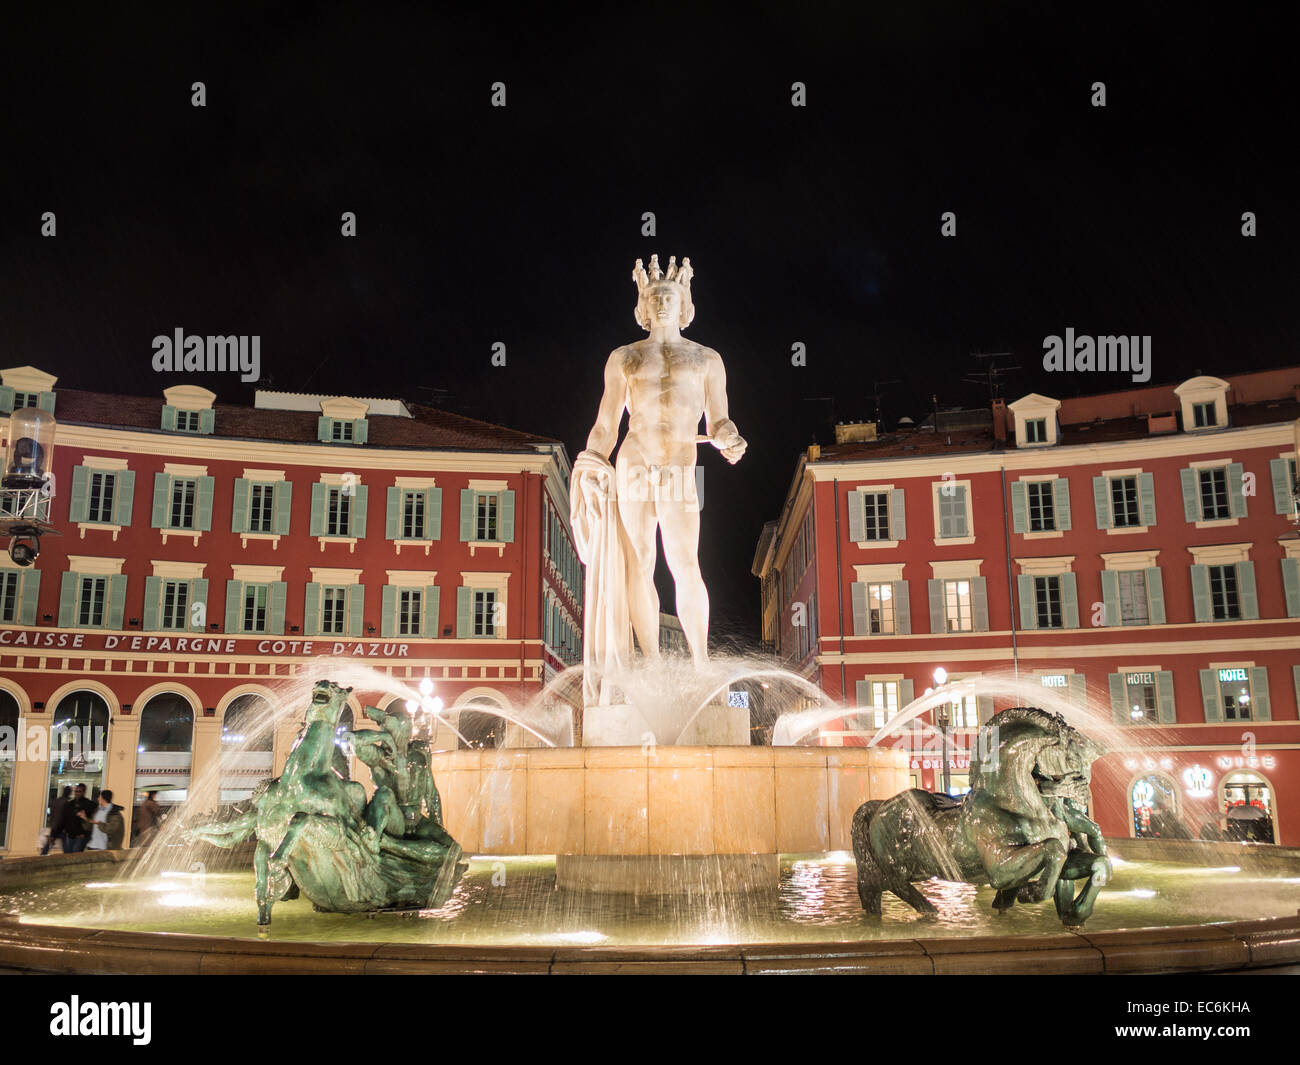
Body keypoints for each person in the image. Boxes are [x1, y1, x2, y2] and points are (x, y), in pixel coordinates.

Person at [60, 782, 95, 853]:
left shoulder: (89, 804)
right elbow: (66, 818)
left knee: (76, 855)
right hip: (70, 835)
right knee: (68, 854)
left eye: (79, 791)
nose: (77, 793)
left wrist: (84, 833)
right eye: (76, 791)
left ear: (84, 792)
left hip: (81, 835)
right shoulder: (70, 804)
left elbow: (90, 820)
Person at [41, 786, 72, 855]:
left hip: (55, 825)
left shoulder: (56, 801)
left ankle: (43, 853)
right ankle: (68, 856)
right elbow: (63, 816)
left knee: (51, 841)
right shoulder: (65, 802)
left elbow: (52, 814)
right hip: (61, 826)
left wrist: (52, 823)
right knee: (65, 844)